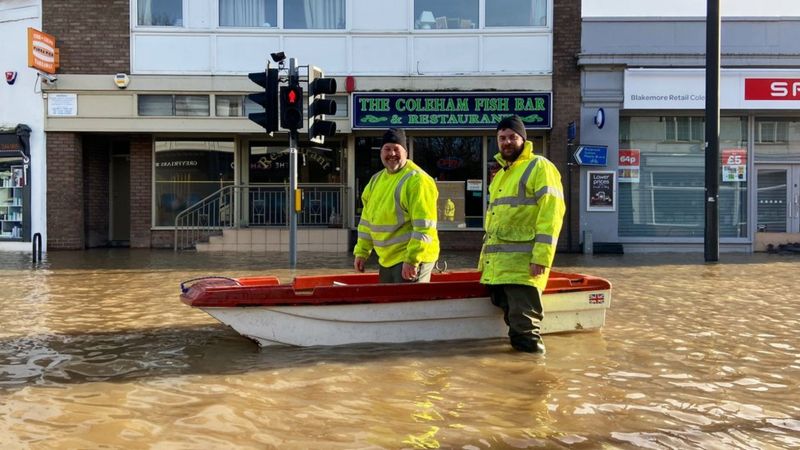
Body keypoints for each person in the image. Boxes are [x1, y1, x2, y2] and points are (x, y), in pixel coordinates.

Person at [479, 115, 565, 354]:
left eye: (512, 137)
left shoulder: (540, 166)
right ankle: (516, 376)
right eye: (502, 138)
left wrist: (541, 257)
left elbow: (552, 214)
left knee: (525, 330)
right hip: (498, 268)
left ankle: (532, 380)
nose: (507, 142)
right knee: (514, 325)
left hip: (523, 267)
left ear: (523, 139)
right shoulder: (502, 174)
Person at [353, 128, 440, 283]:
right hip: (387, 259)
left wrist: (412, 260)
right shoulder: (375, 181)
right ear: (380, 153)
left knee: (408, 306)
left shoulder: (417, 181)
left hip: (411, 258)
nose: (392, 154)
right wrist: (361, 252)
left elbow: (424, 227)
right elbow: (366, 222)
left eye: (396, 149)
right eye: (387, 149)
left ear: (406, 152)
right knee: (389, 304)